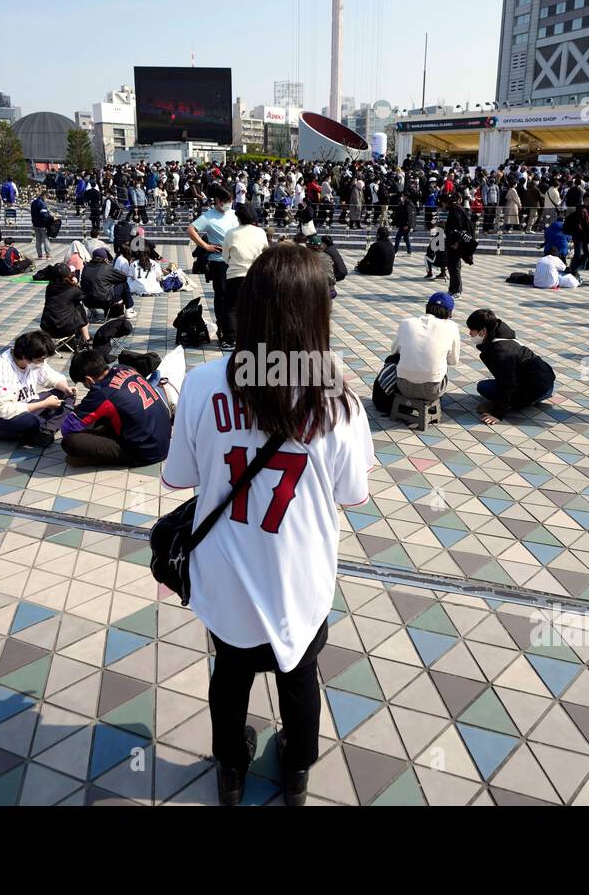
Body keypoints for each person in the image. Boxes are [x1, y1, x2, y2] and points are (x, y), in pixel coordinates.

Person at [161, 242, 374, 806]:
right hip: (300, 576)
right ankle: (297, 771)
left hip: (224, 573)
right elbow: (354, 496)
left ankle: (230, 768)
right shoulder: (339, 400)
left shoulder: (204, 384)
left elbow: (177, 479)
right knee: (300, 674)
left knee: (229, 673)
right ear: (318, 313)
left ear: (248, 305)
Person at [61, 350, 172, 467]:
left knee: (70, 441)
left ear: (89, 380)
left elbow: (67, 429)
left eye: (83, 383)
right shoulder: (124, 368)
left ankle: (97, 459)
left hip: (146, 452)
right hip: (163, 439)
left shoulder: (102, 391)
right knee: (102, 416)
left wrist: (81, 412)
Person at [0, 331, 74, 447]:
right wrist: (44, 404)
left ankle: (46, 431)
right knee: (30, 421)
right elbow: (5, 410)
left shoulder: (33, 360)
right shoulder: (0, 369)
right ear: (25, 357)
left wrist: (65, 388)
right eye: (40, 360)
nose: (42, 363)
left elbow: (51, 377)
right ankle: (39, 428)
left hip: (25, 405)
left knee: (66, 394)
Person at [465, 308, 555, 423]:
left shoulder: (501, 352)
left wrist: (497, 413)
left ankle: (518, 402)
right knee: (500, 382)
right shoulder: (504, 334)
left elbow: (508, 383)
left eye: (472, 330)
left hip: (538, 390)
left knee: (483, 387)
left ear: (483, 331)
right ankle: (520, 399)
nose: (469, 333)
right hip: (548, 385)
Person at [380, 292, 461, 412]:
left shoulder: (407, 322)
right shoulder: (452, 327)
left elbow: (394, 351)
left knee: (393, 360)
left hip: (403, 387)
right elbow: (453, 361)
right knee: (442, 364)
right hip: (433, 390)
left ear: (427, 307)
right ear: (449, 313)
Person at [188, 183, 239, 344]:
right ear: (217, 200)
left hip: (236, 261)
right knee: (222, 297)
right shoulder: (208, 216)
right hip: (219, 262)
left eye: (230, 200)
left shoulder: (235, 214)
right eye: (225, 201)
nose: (228, 204)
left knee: (236, 298)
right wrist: (205, 246)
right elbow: (191, 229)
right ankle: (223, 329)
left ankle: (235, 329)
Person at [220, 203, 269, 348]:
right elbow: (265, 253)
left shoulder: (231, 233)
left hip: (235, 275)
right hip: (256, 275)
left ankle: (231, 339)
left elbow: (225, 257)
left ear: (238, 217)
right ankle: (257, 337)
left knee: (231, 308)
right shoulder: (260, 232)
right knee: (256, 307)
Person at [80, 247, 132, 318]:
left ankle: (92, 310)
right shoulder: (106, 268)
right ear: (105, 259)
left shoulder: (86, 267)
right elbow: (123, 277)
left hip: (87, 302)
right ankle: (129, 309)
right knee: (123, 284)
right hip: (105, 301)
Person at [31, 191, 54, 260]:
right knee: (46, 239)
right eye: (47, 197)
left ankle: (40, 255)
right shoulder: (42, 203)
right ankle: (48, 255)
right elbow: (44, 215)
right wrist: (52, 218)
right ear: (44, 196)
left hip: (35, 224)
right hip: (42, 224)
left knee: (38, 240)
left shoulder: (34, 202)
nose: (47, 199)